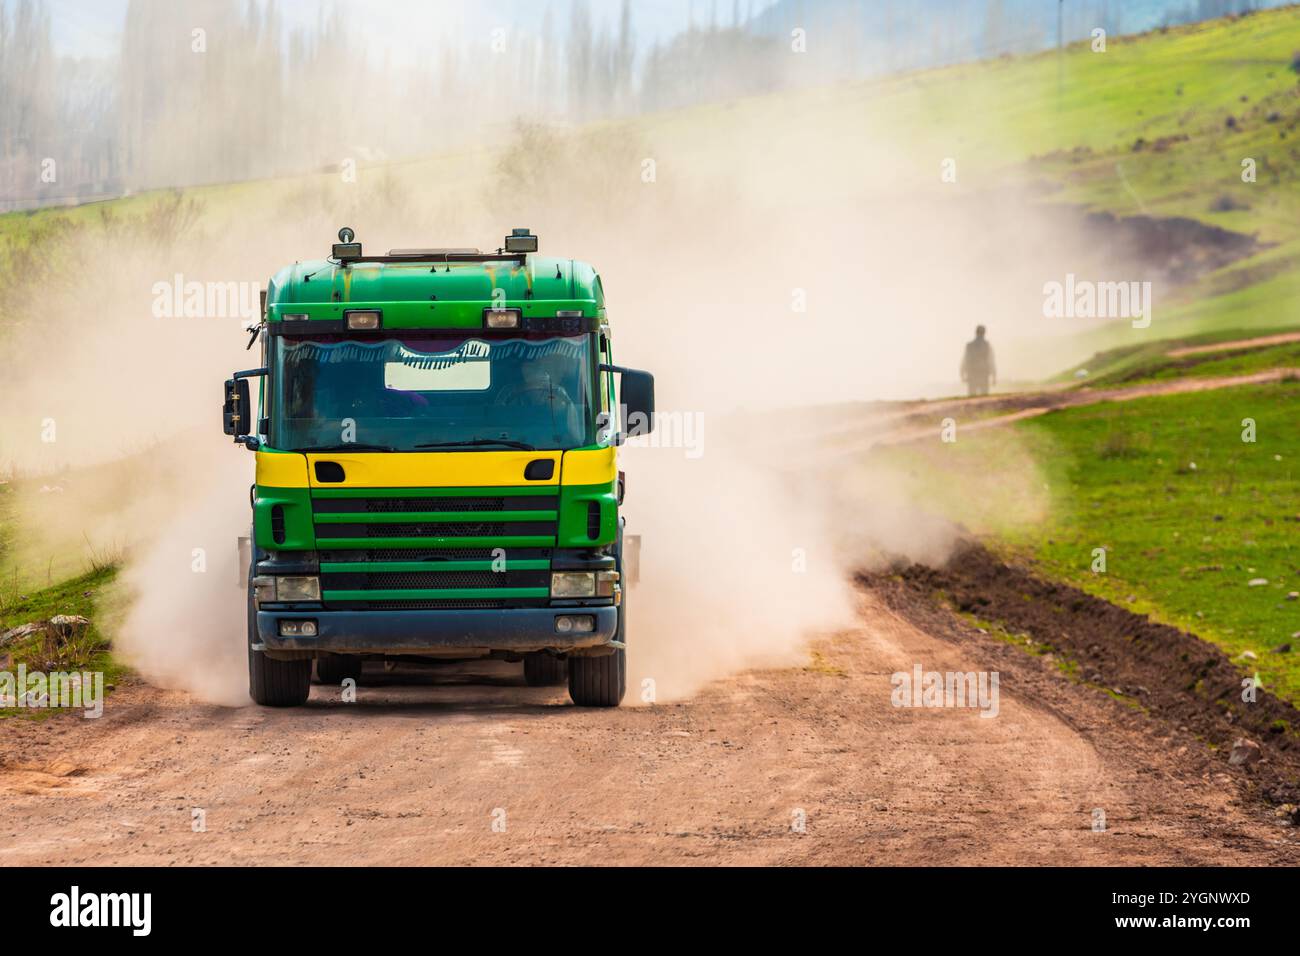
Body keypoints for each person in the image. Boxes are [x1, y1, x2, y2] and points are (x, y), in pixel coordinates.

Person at [960, 325, 996, 397]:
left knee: (972, 397)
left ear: (976, 332)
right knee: (983, 397)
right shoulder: (987, 345)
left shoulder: (970, 345)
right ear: (984, 333)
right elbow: (991, 361)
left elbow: (965, 360)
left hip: (973, 374)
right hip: (983, 374)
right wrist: (994, 376)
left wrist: (962, 374)